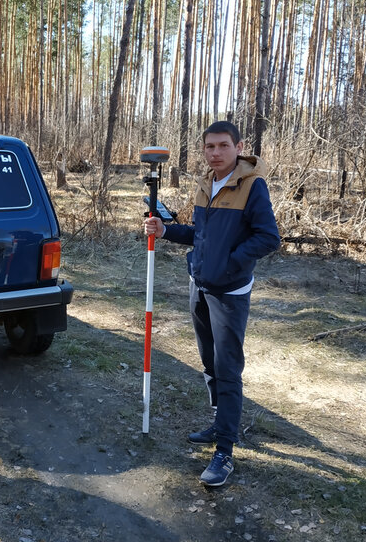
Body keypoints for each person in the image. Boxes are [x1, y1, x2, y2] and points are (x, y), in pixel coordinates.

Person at [142, 120, 280, 487]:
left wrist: (229, 262)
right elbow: (201, 235)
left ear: (238, 146)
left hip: (229, 293)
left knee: (228, 367)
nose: (215, 153)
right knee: (208, 363)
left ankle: (224, 452)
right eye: (209, 147)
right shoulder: (207, 182)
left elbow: (269, 237)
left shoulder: (252, 186)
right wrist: (167, 230)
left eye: (222, 146)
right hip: (199, 286)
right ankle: (219, 423)